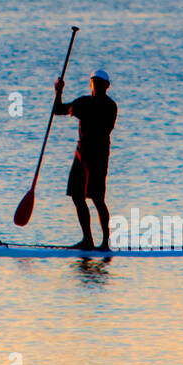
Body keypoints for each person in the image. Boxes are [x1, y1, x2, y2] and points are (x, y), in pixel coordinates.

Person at [53, 69, 117, 250]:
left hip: (98, 157)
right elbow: (58, 110)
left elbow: (102, 124)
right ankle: (87, 240)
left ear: (107, 85)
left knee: (97, 198)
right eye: (93, 81)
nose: (96, 84)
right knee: (77, 197)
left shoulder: (110, 106)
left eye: (99, 82)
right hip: (80, 156)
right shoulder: (84, 102)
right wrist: (59, 91)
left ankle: (105, 243)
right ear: (91, 84)